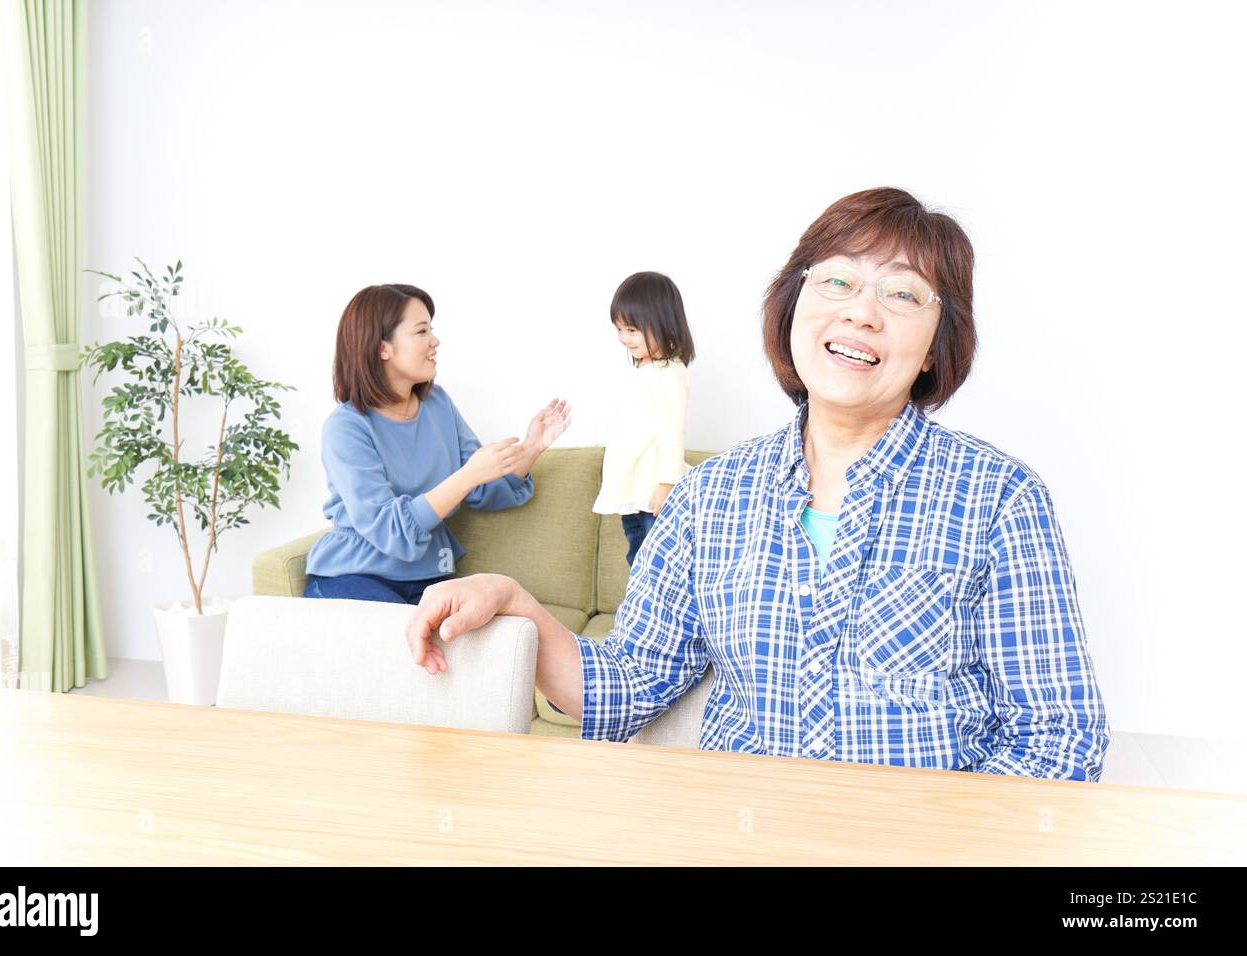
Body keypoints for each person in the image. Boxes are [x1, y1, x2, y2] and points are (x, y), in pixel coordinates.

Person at [405, 188, 1110, 781]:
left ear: (936, 346)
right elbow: (623, 688)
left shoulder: (999, 498)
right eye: (837, 280)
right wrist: (515, 603)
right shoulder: (709, 499)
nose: (862, 311)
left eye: (902, 293)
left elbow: (1059, 738)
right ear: (793, 305)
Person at [304, 283, 571, 604]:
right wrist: (469, 474)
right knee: (409, 642)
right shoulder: (346, 427)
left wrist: (532, 448)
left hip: (429, 577)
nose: (435, 341)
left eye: (432, 330)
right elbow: (389, 528)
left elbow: (481, 489)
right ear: (382, 348)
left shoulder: (438, 405)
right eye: (421, 331)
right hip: (354, 577)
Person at [591, 272, 696, 565]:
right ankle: (642, 609)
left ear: (662, 323)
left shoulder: (670, 373)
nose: (624, 338)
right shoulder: (642, 372)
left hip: (652, 490)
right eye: (620, 329)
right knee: (637, 556)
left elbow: (672, 432)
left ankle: (656, 609)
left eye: (632, 330)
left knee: (654, 561)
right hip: (633, 487)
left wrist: (667, 483)